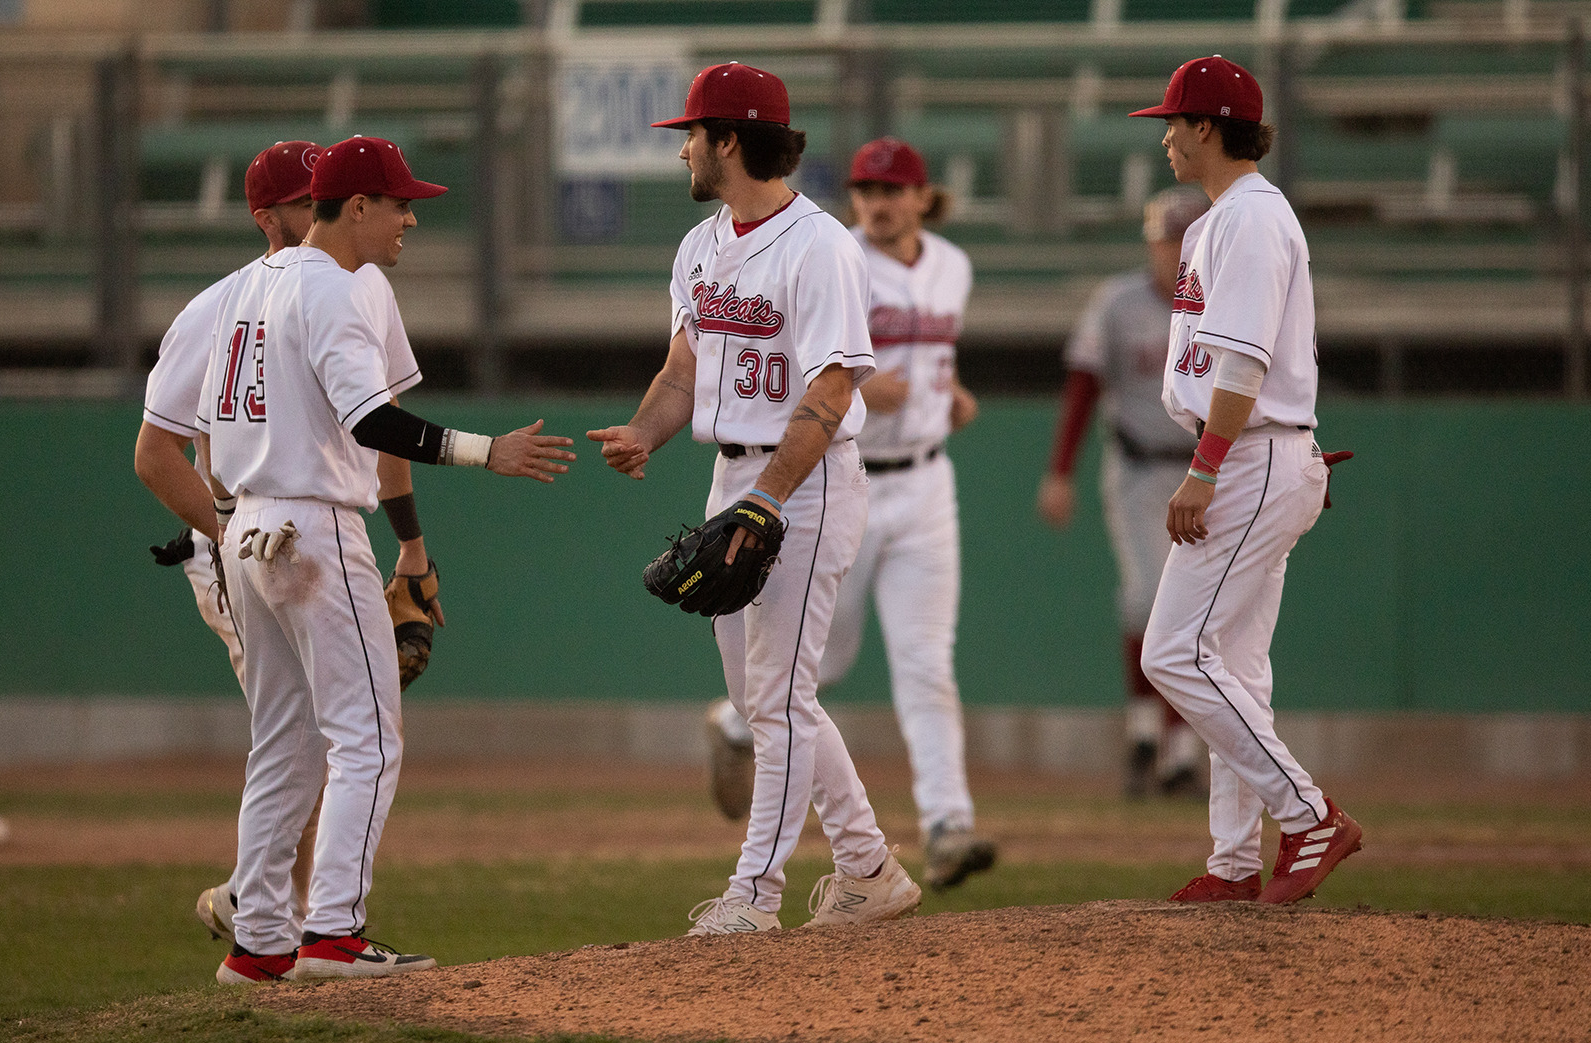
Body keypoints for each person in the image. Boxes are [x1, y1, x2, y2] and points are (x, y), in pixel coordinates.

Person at [196, 135, 577, 983]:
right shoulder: (334, 289)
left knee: (283, 745)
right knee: (366, 738)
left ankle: (259, 943)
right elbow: (373, 421)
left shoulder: (251, 286)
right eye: (400, 204)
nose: (410, 219)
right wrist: (486, 451)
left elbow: (212, 431)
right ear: (357, 206)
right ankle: (333, 932)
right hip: (314, 528)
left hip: (247, 524)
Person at [588, 63, 921, 935]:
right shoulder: (700, 246)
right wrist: (644, 433)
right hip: (733, 476)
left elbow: (834, 388)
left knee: (777, 697)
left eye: (692, 135)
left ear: (729, 140)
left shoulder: (820, 245)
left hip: (803, 482)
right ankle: (868, 868)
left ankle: (753, 896)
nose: (684, 151)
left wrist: (767, 502)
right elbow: (682, 370)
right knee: (764, 701)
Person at [135, 141, 443, 944]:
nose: (317, 209)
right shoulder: (226, 304)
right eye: (304, 200)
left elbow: (380, 432)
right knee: (335, 737)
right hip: (261, 534)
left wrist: (411, 548)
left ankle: (266, 924)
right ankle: (311, 925)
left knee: (300, 740)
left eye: (322, 192)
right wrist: (228, 531)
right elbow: (155, 452)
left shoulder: (358, 286)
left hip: (287, 528)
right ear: (267, 217)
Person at [703, 137, 994, 891]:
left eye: (893, 190)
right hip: (842, 475)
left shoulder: (953, 266)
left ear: (923, 197)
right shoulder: (835, 254)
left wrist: (949, 393)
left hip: (926, 482)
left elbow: (935, 355)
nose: (878, 202)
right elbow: (818, 369)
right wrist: (870, 390)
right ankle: (737, 724)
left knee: (926, 663)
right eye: (867, 190)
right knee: (818, 665)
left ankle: (948, 825)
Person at [1129, 56, 1363, 904]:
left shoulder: (1255, 219)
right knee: (1232, 666)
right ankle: (1233, 863)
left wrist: (1203, 470)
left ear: (1206, 127)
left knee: (1172, 652)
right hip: (1255, 453)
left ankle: (1309, 817)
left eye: (1172, 121)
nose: (1164, 136)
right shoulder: (1217, 222)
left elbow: (1243, 365)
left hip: (1250, 454)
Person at [1037, 187, 1212, 800]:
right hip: (1138, 468)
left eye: (1183, 240)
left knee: (1196, 611)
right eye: (1164, 240)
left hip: (1209, 472)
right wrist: (1060, 471)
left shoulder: (1224, 304)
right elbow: (1083, 385)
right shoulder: (1119, 301)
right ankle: (1145, 733)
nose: (1172, 252)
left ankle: (1179, 752)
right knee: (1146, 598)